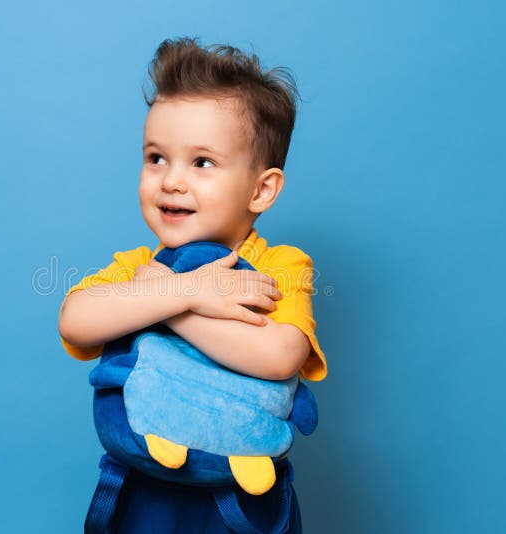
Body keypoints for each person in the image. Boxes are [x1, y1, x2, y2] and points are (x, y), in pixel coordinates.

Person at [58, 36, 328, 533]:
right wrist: (187, 291)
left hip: (241, 501)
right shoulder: (139, 264)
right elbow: (76, 322)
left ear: (261, 189)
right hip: (146, 495)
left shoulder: (281, 266)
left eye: (201, 163)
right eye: (156, 157)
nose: (171, 181)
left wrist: (169, 305)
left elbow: (279, 356)